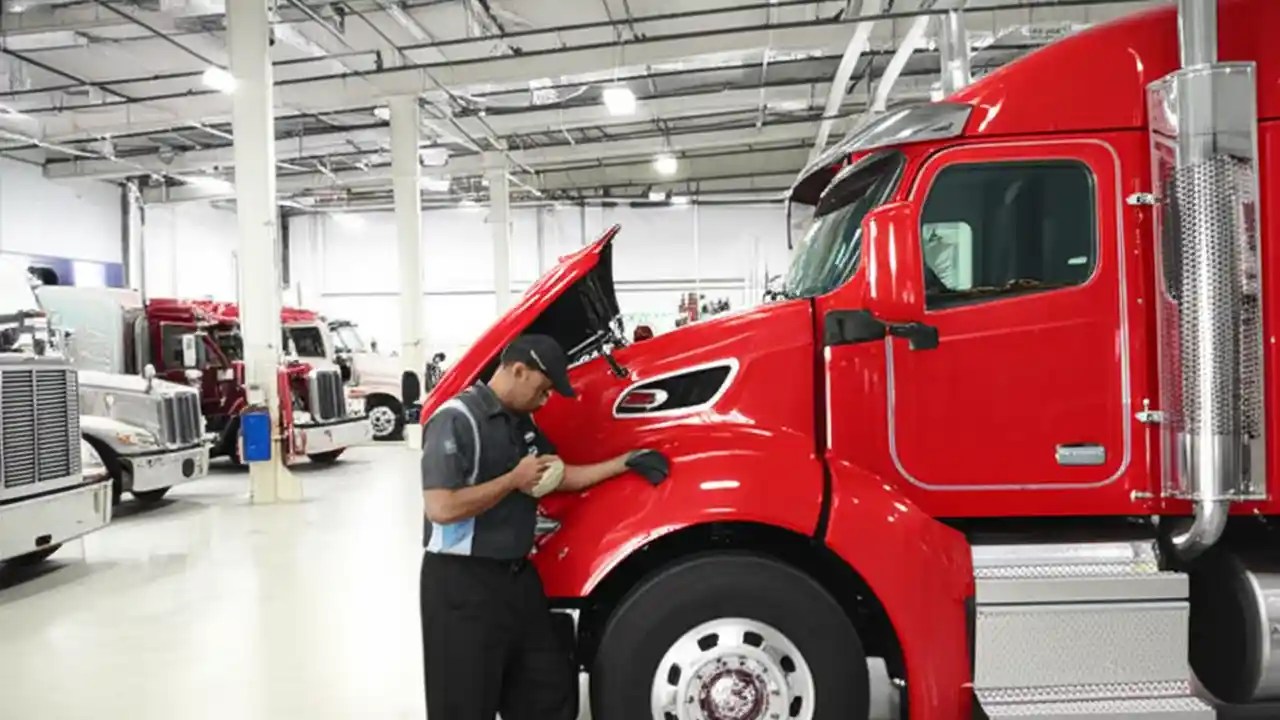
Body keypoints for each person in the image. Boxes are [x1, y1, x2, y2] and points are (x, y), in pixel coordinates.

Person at [418, 333, 666, 720]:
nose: (546, 399)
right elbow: (441, 507)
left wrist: (625, 462)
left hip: (517, 580)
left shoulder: (521, 425)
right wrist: (512, 481)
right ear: (519, 371)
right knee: (465, 703)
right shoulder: (455, 420)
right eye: (544, 388)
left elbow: (556, 475)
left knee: (546, 688)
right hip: (462, 585)